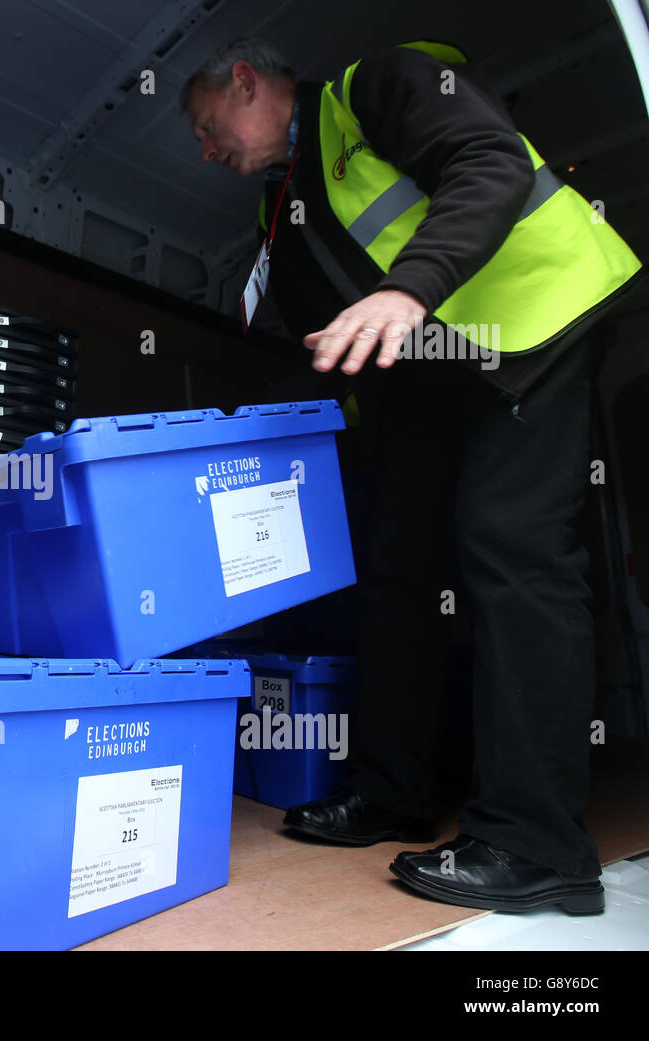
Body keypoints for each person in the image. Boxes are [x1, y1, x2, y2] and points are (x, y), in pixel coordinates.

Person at [180, 37, 641, 913]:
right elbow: (343, 348)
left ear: (246, 81)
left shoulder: (378, 87)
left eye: (207, 126)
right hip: (436, 379)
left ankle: (538, 841)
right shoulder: (286, 206)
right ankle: (393, 790)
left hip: (531, 323)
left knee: (511, 545)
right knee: (396, 566)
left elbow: (491, 162)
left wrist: (410, 287)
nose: (208, 152)